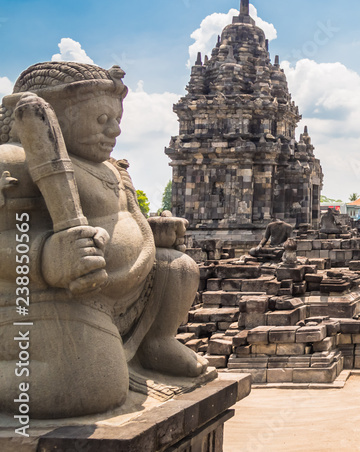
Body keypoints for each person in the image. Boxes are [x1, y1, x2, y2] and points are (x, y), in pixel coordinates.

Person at [0, 62, 209, 419]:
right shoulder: (17, 161)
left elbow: (121, 217)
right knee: (89, 387)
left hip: (126, 290)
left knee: (177, 266)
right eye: (100, 120)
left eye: (116, 120)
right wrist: (44, 257)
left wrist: (152, 229)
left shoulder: (111, 168)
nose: (114, 130)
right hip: (55, 298)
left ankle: (156, 342)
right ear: (55, 114)